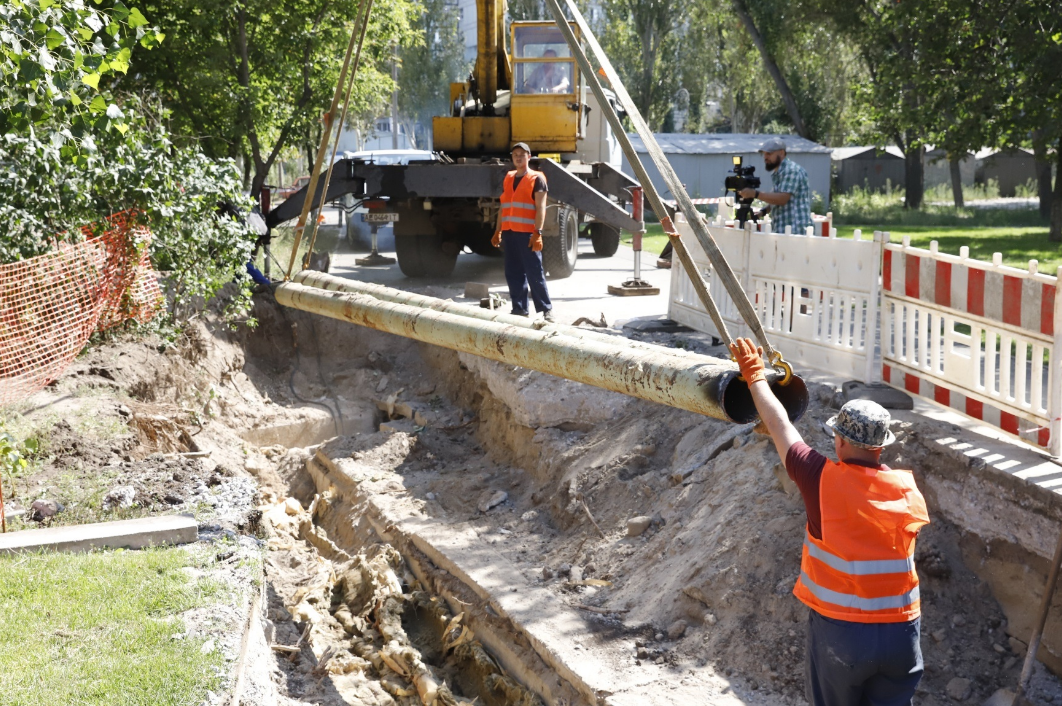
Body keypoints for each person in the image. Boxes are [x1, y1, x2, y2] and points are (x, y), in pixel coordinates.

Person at [728, 337, 930, 706]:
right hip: (904, 634)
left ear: (838, 441)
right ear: (881, 446)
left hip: (844, 635)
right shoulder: (905, 490)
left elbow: (779, 423)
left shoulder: (820, 479)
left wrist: (755, 374)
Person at [493, 143, 554, 322]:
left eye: (522, 154)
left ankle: (546, 310)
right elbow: (504, 207)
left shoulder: (537, 178)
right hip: (510, 232)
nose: (518, 157)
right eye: (515, 154)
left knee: (534, 271)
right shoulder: (509, 177)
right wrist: (498, 230)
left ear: (529, 156)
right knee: (513, 272)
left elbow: (541, 208)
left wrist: (538, 233)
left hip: (528, 233)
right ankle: (519, 309)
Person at [738, 137, 812, 235]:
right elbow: (776, 199)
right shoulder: (780, 172)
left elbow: (782, 199)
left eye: (769, 153)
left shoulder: (791, 170)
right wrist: (763, 212)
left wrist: (754, 194)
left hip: (795, 231)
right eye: (764, 154)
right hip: (785, 230)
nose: (765, 157)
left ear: (781, 153)